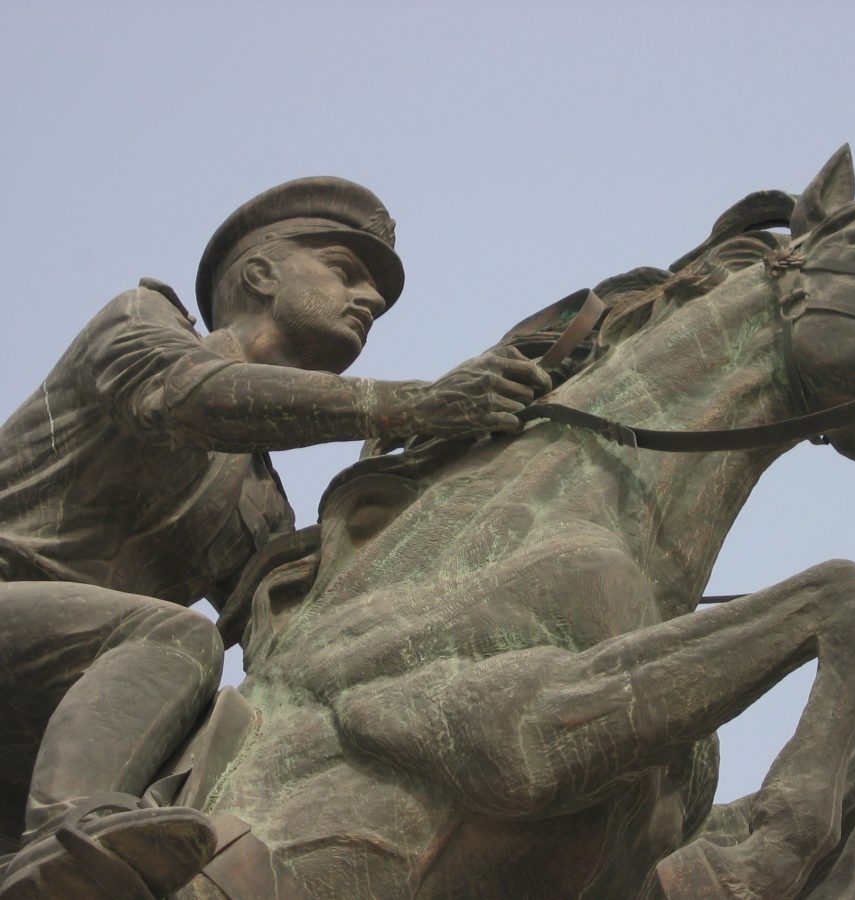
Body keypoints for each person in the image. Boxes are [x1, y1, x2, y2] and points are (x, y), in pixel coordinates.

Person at [0, 177, 552, 898]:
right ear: (261, 273)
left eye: (375, 299)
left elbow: (304, 637)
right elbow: (188, 397)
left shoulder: (256, 502)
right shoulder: (141, 324)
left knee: (238, 736)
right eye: (345, 272)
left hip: (44, 727)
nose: (370, 302)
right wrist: (415, 404)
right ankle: (66, 840)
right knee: (175, 643)